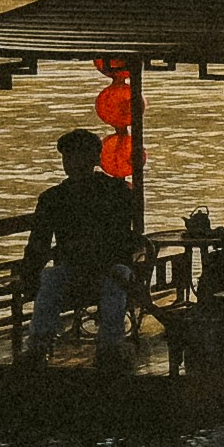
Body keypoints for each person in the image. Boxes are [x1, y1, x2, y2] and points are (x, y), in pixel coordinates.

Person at [20, 129, 144, 364]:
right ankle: (39, 345)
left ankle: (110, 346)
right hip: (73, 269)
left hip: (109, 265)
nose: (72, 163)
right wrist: (28, 275)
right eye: (68, 157)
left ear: (95, 159)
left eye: (79, 156)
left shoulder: (116, 192)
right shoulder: (52, 198)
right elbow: (39, 243)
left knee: (117, 277)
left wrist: (103, 258)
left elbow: (122, 237)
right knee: (49, 278)